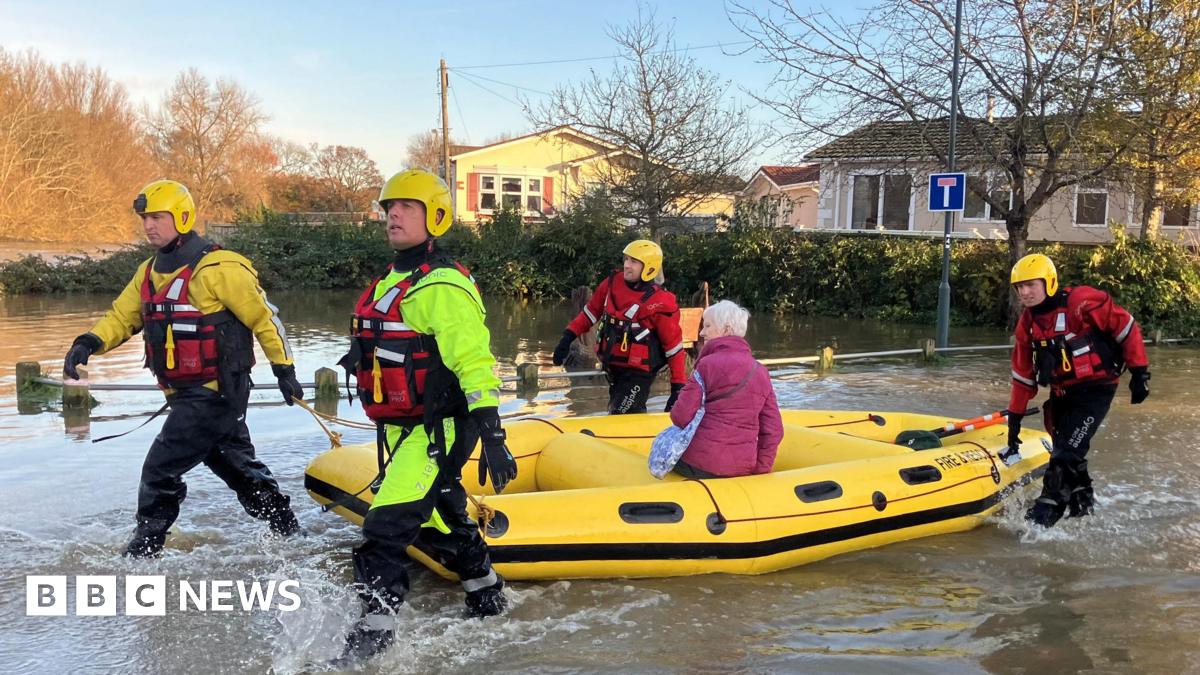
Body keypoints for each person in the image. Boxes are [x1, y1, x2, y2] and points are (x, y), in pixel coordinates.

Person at [61, 179, 303, 557]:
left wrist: (284, 369)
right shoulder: (147, 272)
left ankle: (143, 553)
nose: (148, 225)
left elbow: (265, 319)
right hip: (185, 394)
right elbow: (122, 317)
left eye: (158, 217)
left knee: (159, 469)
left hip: (216, 394)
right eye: (145, 218)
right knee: (238, 468)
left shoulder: (221, 267)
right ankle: (290, 532)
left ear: (183, 217)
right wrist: (89, 343)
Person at [335, 169, 518, 664]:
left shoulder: (442, 285)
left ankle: (370, 648)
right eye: (389, 207)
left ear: (434, 216)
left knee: (383, 530)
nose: (393, 214)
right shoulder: (390, 280)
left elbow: (474, 362)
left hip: (439, 429)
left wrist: (493, 435)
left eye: (407, 207)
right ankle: (488, 597)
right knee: (442, 517)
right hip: (403, 427)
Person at [1006, 253, 1150, 528]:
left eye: (1030, 285)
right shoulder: (1027, 324)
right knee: (1067, 450)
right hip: (1062, 395)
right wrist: (1015, 416)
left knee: (1065, 454)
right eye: (1019, 287)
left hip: (1096, 390)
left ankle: (1042, 518)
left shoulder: (1080, 301)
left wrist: (1140, 372)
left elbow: (1126, 327)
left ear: (1048, 282)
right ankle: (1083, 507)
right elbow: (1022, 374)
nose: (1024, 292)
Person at [552, 240, 687, 414]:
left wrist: (678, 387)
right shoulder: (611, 284)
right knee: (616, 409)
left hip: (639, 372)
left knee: (622, 412)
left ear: (649, 268)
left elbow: (673, 347)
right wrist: (567, 338)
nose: (627, 265)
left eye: (634, 262)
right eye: (626, 259)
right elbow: (589, 313)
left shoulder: (660, 302)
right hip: (613, 366)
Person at [666, 300, 782, 478]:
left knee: (663, 450)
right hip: (742, 467)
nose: (702, 332)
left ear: (726, 330)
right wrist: (761, 470)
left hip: (699, 464)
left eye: (707, 326)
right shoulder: (761, 372)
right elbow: (774, 430)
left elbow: (680, 417)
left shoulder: (706, 365)